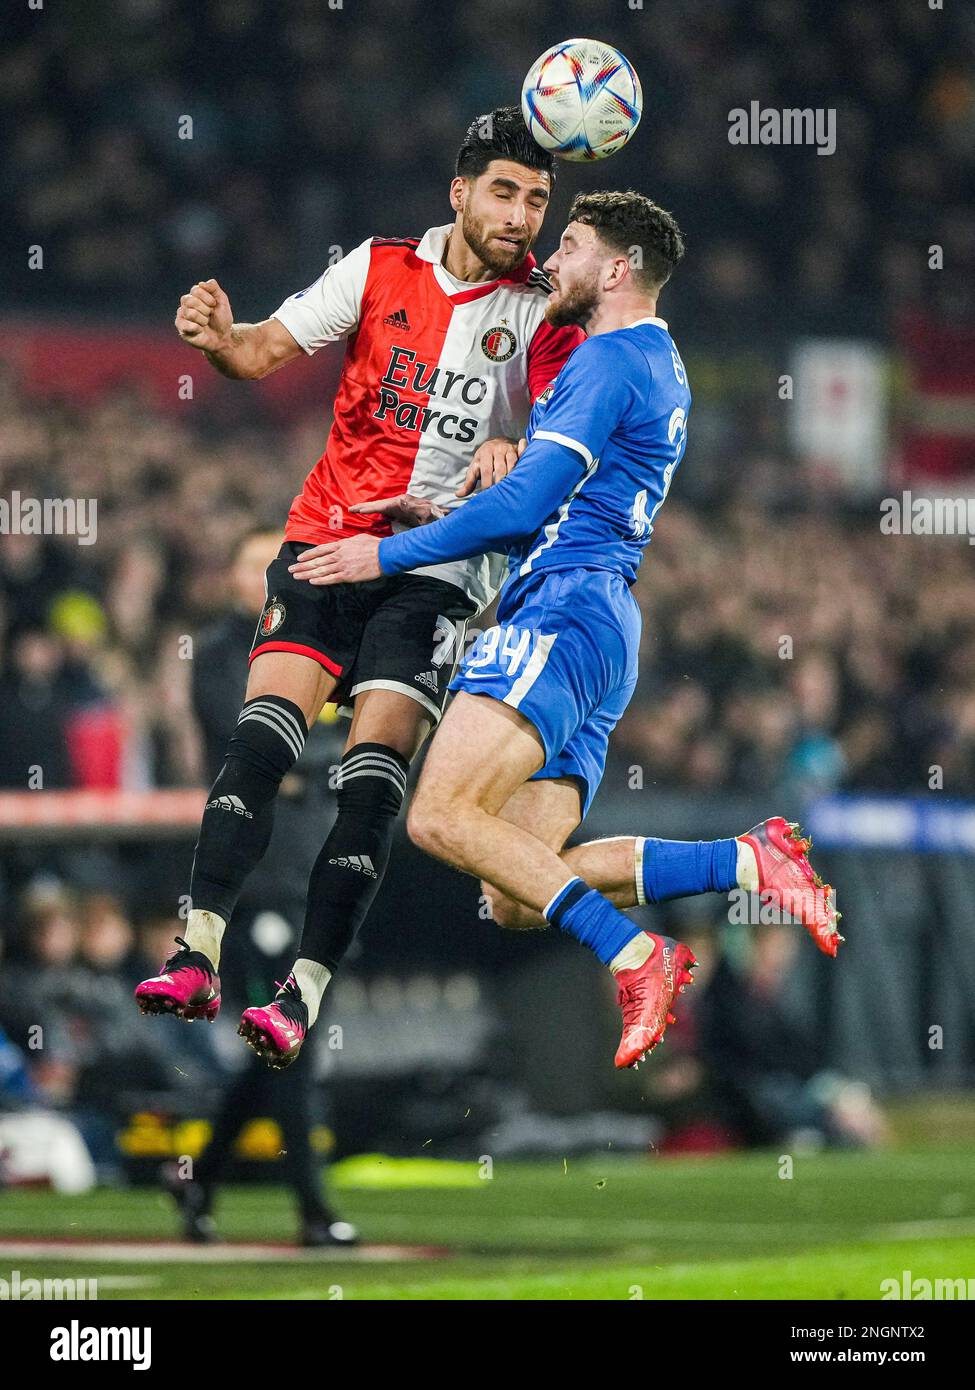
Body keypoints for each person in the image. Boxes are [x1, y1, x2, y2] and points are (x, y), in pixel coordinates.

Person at [294, 191, 842, 1072]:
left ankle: (637, 956)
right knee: (513, 888)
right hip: (599, 625)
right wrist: (444, 508)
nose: (551, 257)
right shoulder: (655, 362)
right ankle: (745, 860)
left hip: (562, 610)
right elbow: (544, 507)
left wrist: (387, 556)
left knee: (437, 816)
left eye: (574, 244)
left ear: (616, 270)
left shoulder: (608, 360)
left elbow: (528, 503)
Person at [135, 108, 584, 1065]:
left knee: (368, 780)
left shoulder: (544, 309)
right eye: (504, 192)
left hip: (437, 574)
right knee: (260, 739)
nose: (520, 215)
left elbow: (563, 432)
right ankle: (197, 951)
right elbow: (256, 353)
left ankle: (300, 994)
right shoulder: (376, 269)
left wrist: (521, 444)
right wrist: (216, 336)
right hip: (327, 536)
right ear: (459, 193)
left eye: (538, 199)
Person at [162, 528, 355, 1245]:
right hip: (254, 880)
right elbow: (264, 743)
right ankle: (312, 1207)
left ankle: (198, 1176)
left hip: (315, 872)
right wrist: (323, 750)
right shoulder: (218, 655)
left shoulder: (325, 641)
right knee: (290, 1041)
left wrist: (322, 751)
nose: (267, 574)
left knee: (279, 1043)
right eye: (252, 564)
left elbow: (358, 737)